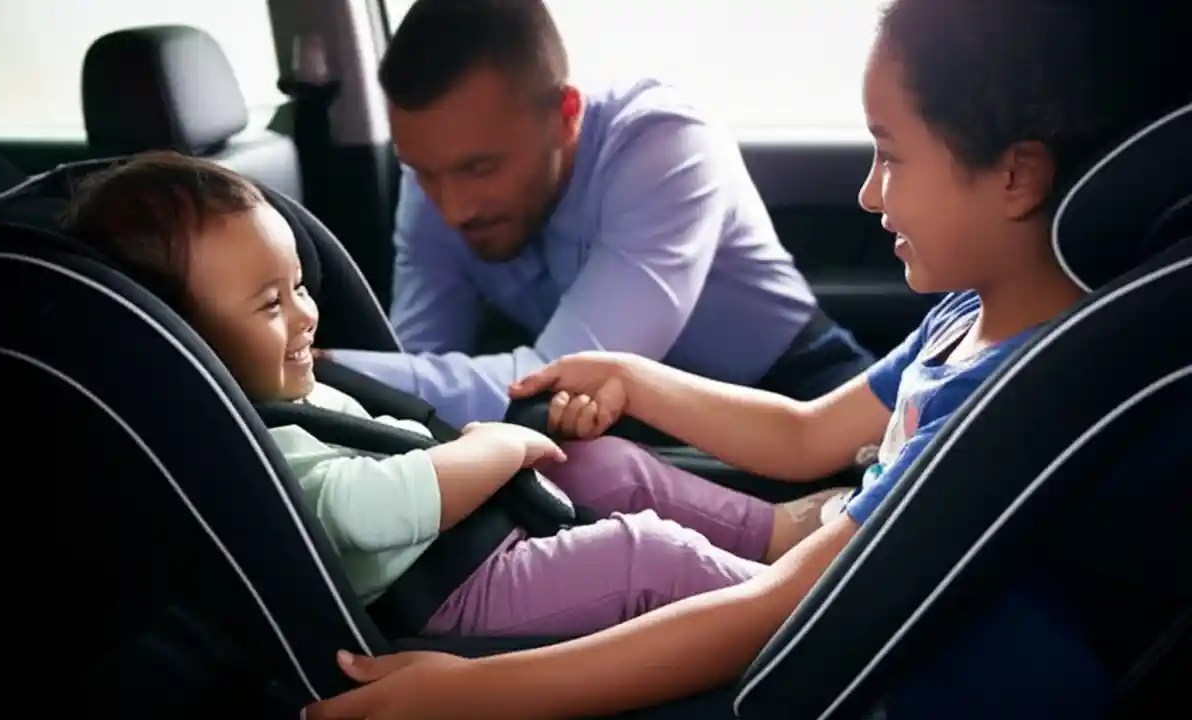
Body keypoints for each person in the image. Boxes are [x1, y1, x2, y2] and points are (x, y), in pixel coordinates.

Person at [307, 0, 1190, 716]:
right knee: (607, 472)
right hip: (855, 613)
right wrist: (631, 375)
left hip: (887, 679)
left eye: (889, 154)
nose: (867, 190)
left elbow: (778, 612)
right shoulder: (969, 317)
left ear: (1016, 177)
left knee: (633, 572)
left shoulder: (1012, 394)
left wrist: (475, 690)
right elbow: (806, 436)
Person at [62, 151, 840, 639]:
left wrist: (495, 457)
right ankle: (799, 615)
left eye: (299, 286)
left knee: (605, 468)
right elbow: (373, 507)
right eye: (271, 306)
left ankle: (778, 533)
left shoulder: (296, 391)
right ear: (182, 340)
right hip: (447, 595)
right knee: (642, 556)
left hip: (472, 538)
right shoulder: (254, 443)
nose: (306, 315)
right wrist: (495, 448)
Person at [323, 0, 873, 428]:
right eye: (423, 172)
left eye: (481, 168)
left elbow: (558, 378)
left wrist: (314, 371)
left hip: (799, 394)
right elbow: (415, 377)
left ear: (566, 117)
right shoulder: (436, 184)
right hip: (625, 432)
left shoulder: (664, 146)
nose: (451, 207)